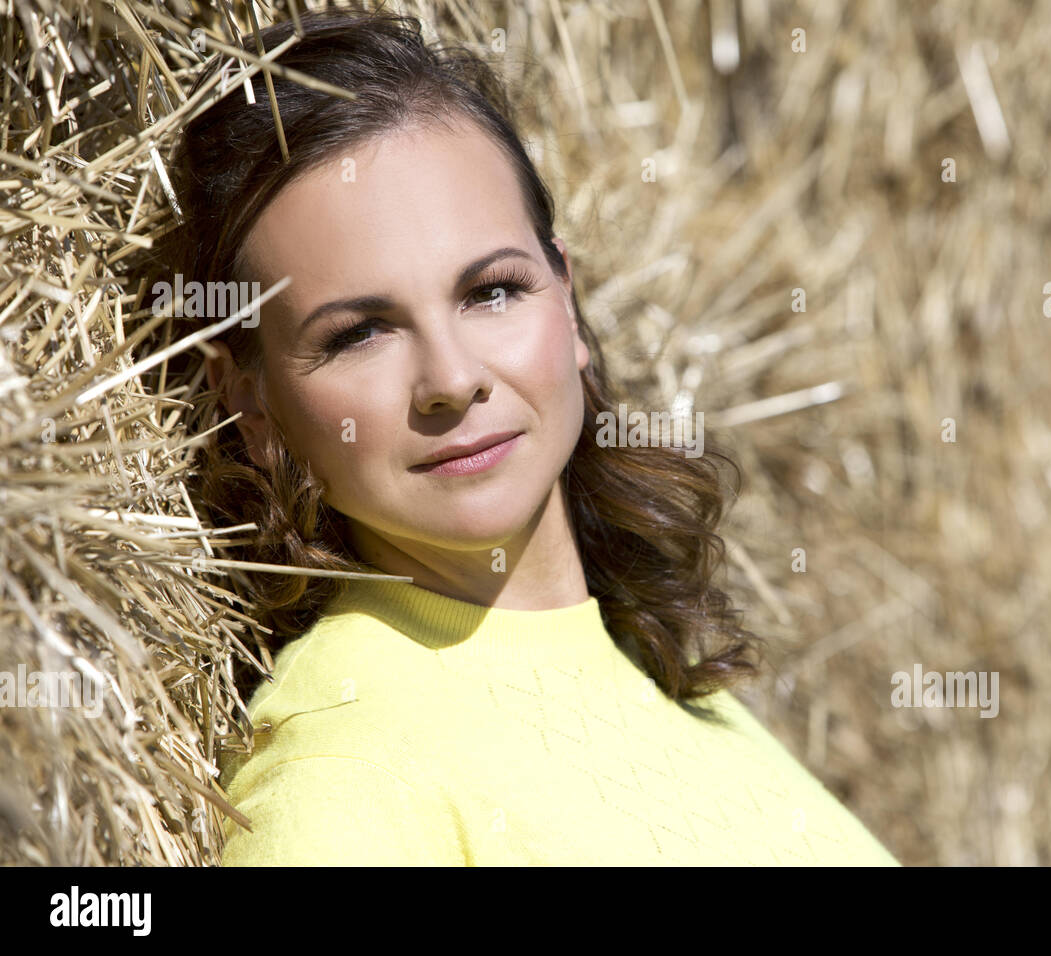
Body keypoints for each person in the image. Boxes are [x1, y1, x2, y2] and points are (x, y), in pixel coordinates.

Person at [148, 6, 899, 866]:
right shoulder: (348, 770)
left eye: (492, 292)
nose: (452, 379)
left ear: (566, 299)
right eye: (359, 333)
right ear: (250, 401)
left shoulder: (674, 683)